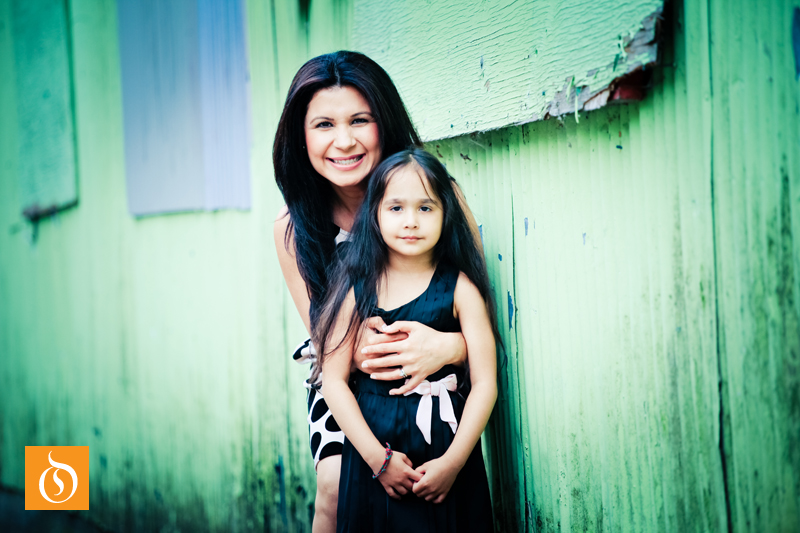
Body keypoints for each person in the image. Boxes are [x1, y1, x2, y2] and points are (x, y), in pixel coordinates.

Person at [272, 51, 481, 532]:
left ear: (383, 122)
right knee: (335, 485)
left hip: (440, 374)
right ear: (300, 136)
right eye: (323, 124)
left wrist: (450, 346)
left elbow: (473, 304)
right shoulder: (293, 229)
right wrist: (367, 354)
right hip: (342, 377)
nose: (343, 141)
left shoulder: (433, 197)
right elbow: (329, 347)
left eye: (359, 120)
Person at [315, 148, 498, 532]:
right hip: (373, 451)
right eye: (396, 208)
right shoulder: (356, 287)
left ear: (447, 213)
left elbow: (485, 384)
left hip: (445, 447)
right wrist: (376, 461)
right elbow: (333, 381)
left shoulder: (461, 288)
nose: (411, 221)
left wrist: (453, 463)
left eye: (426, 208)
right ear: (374, 215)